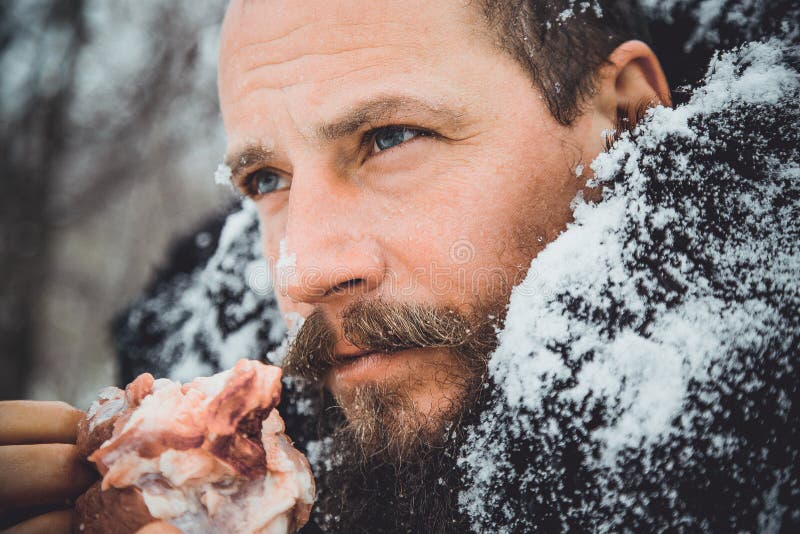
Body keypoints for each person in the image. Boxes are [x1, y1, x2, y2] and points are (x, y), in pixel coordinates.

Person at [2, 0, 798, 532]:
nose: (301, 274)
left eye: (389, 138)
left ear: (624, 117)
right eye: (267, 180)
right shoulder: (192, 479)